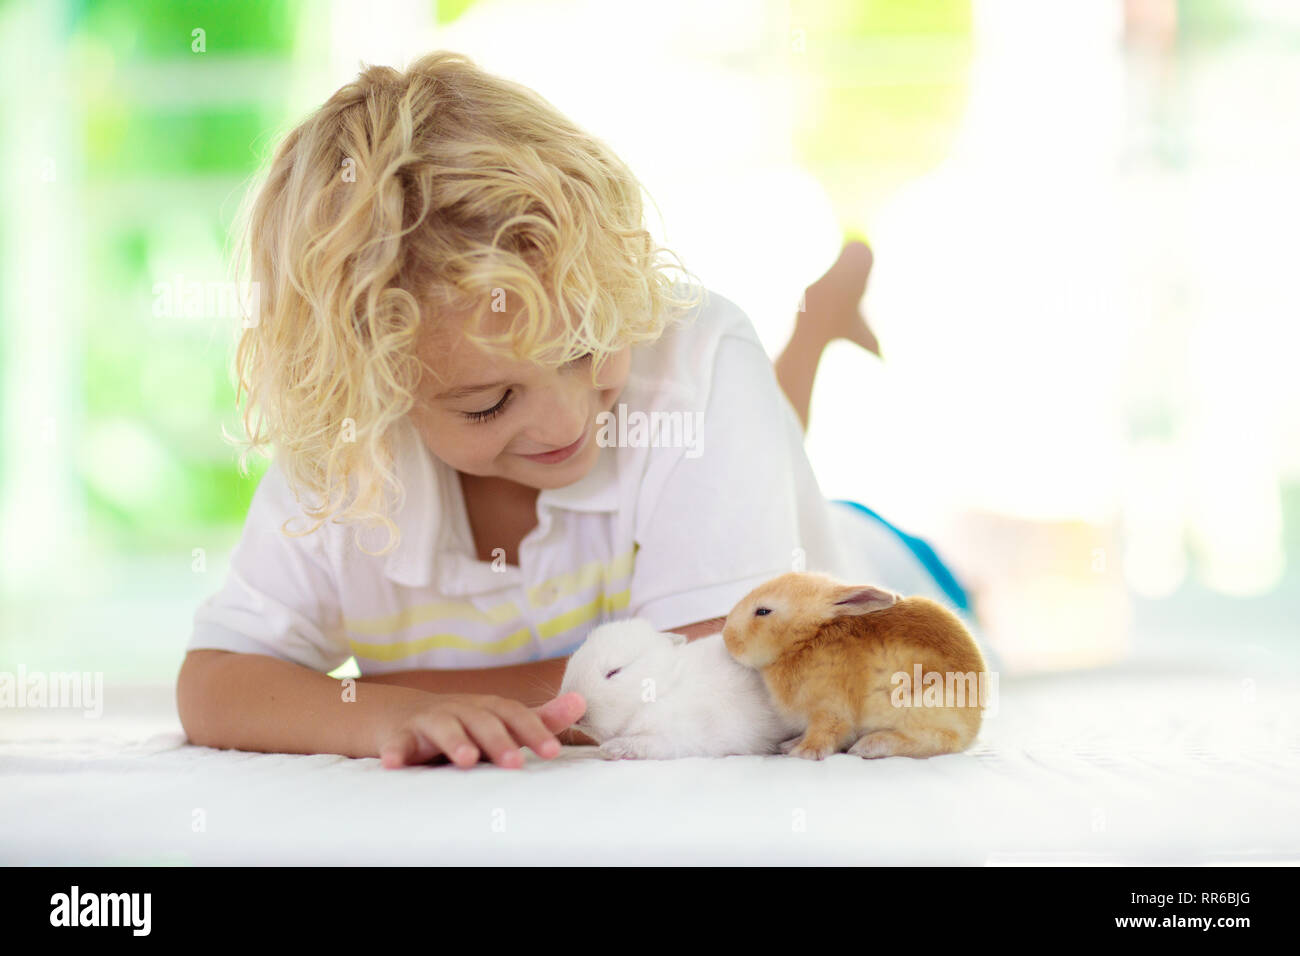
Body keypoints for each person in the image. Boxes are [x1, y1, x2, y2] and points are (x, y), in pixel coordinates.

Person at [177, 51, 953, 770]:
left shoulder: (696, 354)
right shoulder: (349, 442)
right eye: (489, 402)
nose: (567, 421)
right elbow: (215, 681)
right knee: (738, 429)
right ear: (373, 395)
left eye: (588, 340)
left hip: (885, 567)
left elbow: (729, 674)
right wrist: (386, 715)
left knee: (748, 417)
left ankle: (816, 323)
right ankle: (820, 322)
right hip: (731, 503)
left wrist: (382, 689)